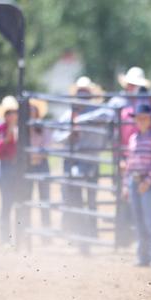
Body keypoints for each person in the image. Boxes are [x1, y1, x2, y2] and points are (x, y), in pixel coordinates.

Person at [53, 76, 106, 253]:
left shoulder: (97, 111)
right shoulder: (67, 115)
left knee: (90, 201)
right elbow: (56, 136)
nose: (82, 95)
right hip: (73, 162)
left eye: (85, 92)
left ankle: (90, 236)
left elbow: (108, 114)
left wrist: (80, 122)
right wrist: (70, 132)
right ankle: (80, 237)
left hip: (90, 160)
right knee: (75, 201)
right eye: (80, 92)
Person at [123, 104, 151, 266]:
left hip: (149, 182)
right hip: (134, 182)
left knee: (149, 219)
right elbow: (130, 164)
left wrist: (147, 181)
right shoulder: (134, 138)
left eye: (144, 118)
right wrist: (126, 185)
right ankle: (143, 256)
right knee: (139, 219)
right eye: (138, 118)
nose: (141, 121)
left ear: (150, 120)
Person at [0, 95, 23, 245]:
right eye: (8, 112)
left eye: (13, 112)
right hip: (5, 167)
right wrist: (5, 141)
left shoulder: (22, 131)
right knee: (6, 204)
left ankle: (20, 238)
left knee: (20, 204)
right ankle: (4, 240)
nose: (11, 115)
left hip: (18, 168)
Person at [27, 98, 52, 237]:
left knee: (44, 200)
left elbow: (47, 145)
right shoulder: (23, 127)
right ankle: (27, 231)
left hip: (41, 164)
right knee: (27, 198)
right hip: (30, 165)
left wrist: (35, 156)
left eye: (33, 108)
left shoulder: (42, 126)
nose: (31, 111)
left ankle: (46, 233)